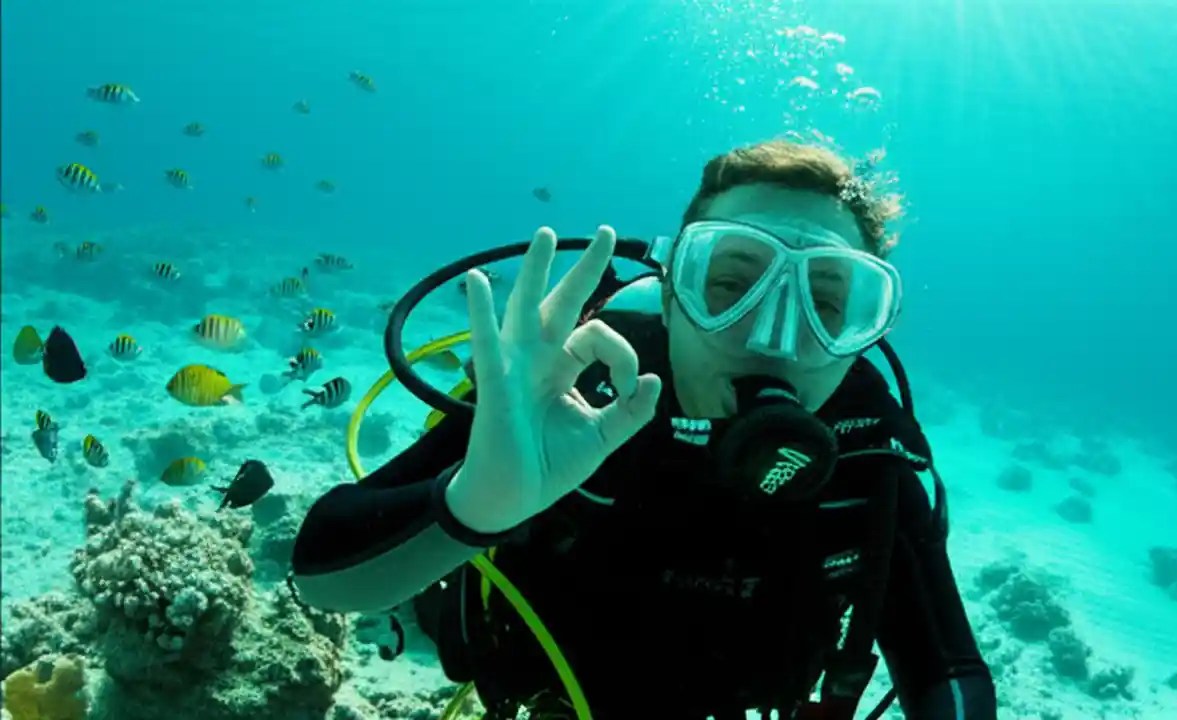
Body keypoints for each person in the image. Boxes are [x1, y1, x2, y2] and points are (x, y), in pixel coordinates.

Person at [290, 140, 997, 720]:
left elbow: (947, 669)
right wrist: (473, 504)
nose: (774, 339)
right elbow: (324, 584)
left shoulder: (868, 451)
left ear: (863, 329)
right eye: (728, 285)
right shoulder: (569, 385)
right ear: (670, 291)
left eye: (826, 301)